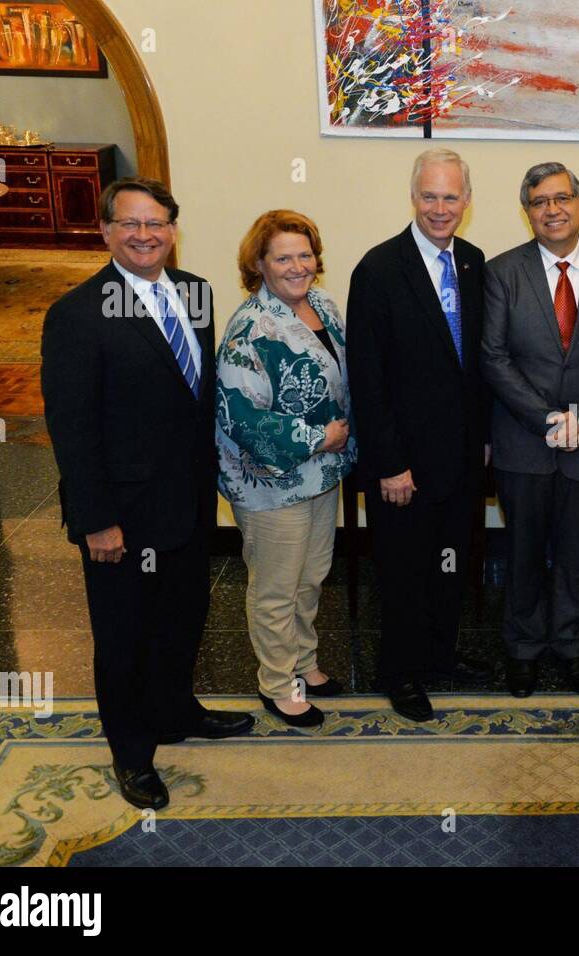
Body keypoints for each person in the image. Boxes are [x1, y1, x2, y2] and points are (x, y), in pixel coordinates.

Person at [40, 178, 253, 811]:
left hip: (185, 502)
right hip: (122, 516)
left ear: (172, 229)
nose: (144, 235)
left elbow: (195, 398)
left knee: (182, 619)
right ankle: (132, 754)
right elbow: (71, 430)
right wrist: (96, 520)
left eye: (156, 223)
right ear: (105, 231)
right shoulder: (76, 315)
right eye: (130, 224)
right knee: (124, 637)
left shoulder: (195, 294)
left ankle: (174, 712)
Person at [346, 148, 493, 723]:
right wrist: (388, 462)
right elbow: (368, 375)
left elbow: (478, 363)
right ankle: (398, 671)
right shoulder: (379, 269)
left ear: (466, 201)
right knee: (404, 571)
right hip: (403, 462)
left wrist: (481, 438)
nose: (440, 208)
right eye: (429, 196)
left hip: (460, 457)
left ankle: (439, 654)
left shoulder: (475, 262)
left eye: (450, 196)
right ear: (413, 198)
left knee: (449, 565)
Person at [481, 162, 579, 697]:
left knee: (574, 550)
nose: (553, 210)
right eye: (540, 202)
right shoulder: (502, 272)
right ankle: (522, 651)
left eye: (562, 198)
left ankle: (572, 646)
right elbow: (494, 358)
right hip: (523, 440)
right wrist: (547, 418)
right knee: (522, 551)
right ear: (528, 212)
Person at [216, 210, 355, 729]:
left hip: (322, 474)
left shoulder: (323, 305)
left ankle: (305, 664)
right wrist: (321, 437)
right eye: (283, 257)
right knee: (276, 586)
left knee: (311, 576)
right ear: (259, 263)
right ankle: (277, 683)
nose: (297, 266)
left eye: (305, 254)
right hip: (271, 481)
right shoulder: (250, 328)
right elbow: (240, 415)